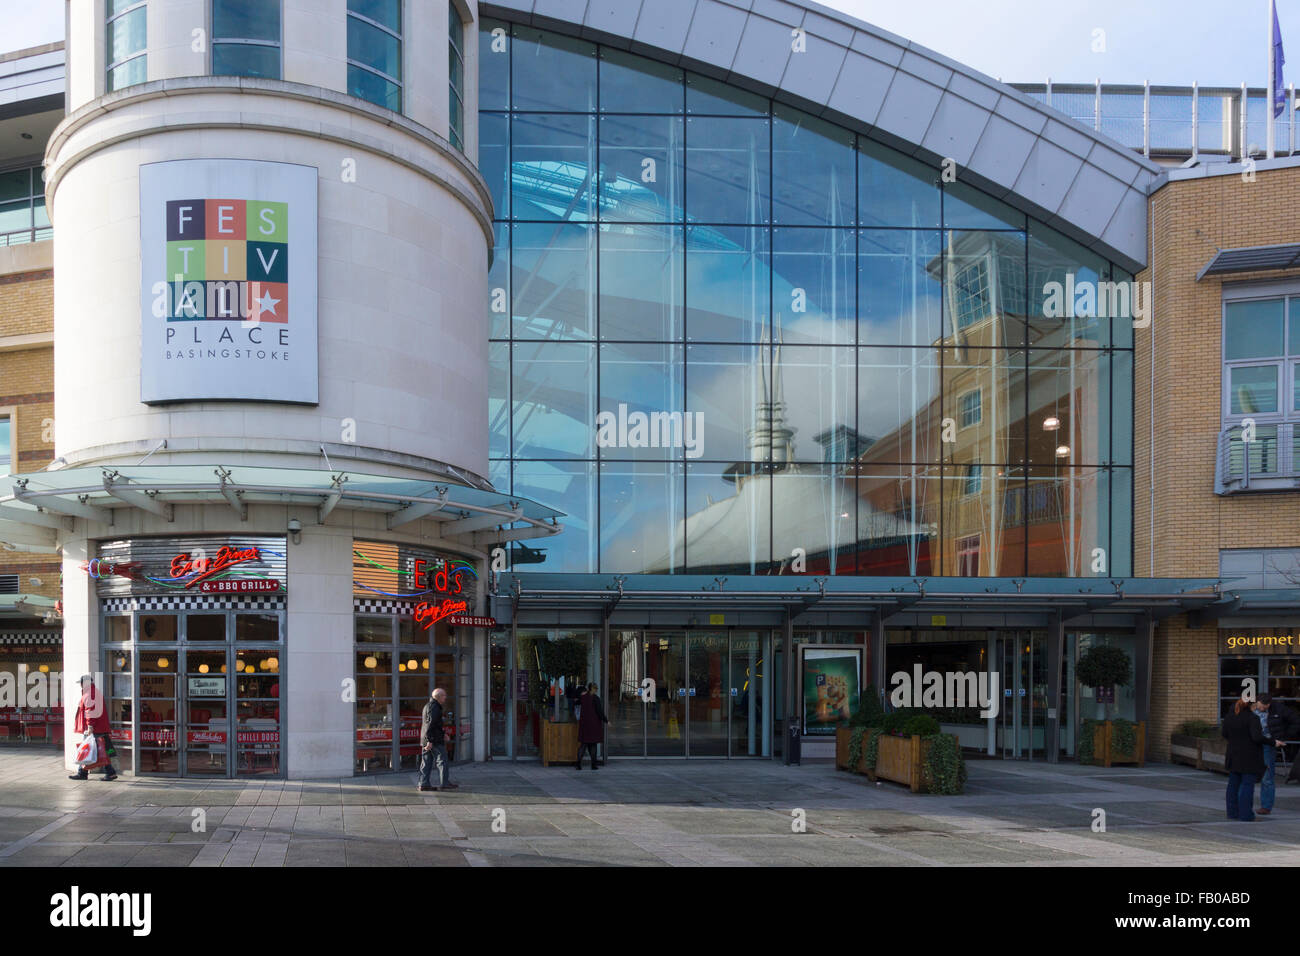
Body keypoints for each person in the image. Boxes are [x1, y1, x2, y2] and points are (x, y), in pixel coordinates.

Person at [1223, 698, 1266, 821]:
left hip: (1233, 755)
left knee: (1232, 785)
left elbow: (1224, 734)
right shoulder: (1253, 718)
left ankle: (1232, 813)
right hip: (1249, 757)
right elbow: (1257, 737)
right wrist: (1272, 742)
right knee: (1247, 786)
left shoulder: (1229, 717)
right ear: (1251, 706)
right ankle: (1246, 814)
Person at [69, 674, 118, 782]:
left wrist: (90, 726)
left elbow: (91, 711)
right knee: (101, 751)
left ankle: (84, 773)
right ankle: (108, 772)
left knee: (86, 749)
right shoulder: (93, 692)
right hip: (99, 727)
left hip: (95, 729)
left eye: (81, 683)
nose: (80, 686)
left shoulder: (90, 694)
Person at [1255, 694, 1300, 808]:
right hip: (1253, 744)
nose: (1261, 709)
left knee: (1267, 777)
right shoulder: (1252, 709)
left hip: (1268, 744)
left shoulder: (1279, 709)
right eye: (1259, 706)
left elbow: (1295, 721)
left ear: (1268, 704)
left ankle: (1266, 806)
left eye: (1263, 707)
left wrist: (1284, 736)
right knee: (1248, 775)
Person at [417, 688, 458, 792]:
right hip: (434, 740)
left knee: (426, 762)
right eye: (444, 695)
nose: (445, 697)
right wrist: (430, 740)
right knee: (442, 761)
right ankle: (444, 783)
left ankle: (423, 784)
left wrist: (442, 734)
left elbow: (433, 725)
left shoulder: (428, 705)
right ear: (438, 696)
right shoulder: (435, 707)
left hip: (428, 738)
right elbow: (430, 724)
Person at [575, 681, 608, 771]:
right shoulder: (596, 698)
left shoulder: (582, 697)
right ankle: (593, 765)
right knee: (593, 744)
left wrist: (581, 693)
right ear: (593, 689)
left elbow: (575, 700)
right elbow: (599, 712)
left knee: (584, 744)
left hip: (584, 724)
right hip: (593, 724)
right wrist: (606, 721)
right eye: (595, 688)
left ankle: (578, 764)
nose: (596, 690)